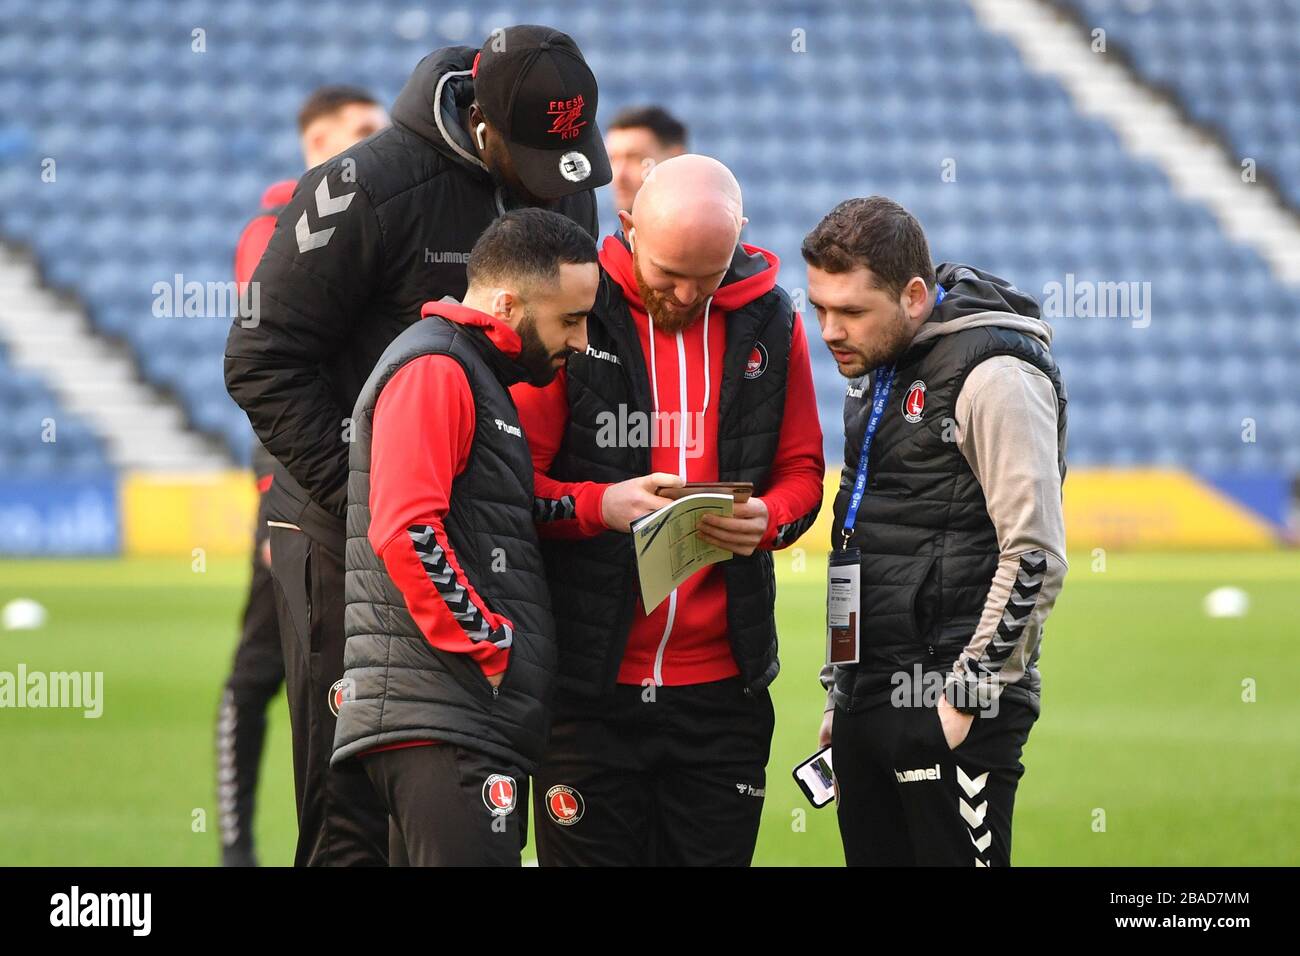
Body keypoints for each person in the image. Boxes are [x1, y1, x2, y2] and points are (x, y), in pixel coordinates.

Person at [223, 25, 611, 866]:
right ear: (483, 124)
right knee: (349, 821)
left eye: (570, 158)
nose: (559, 185)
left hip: (487, 533)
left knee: (458, 809)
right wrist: (370, 493)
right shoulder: (361, 186)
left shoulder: (562, 176)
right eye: (539, 160)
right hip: (340, 539)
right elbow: (261, 361)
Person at [511, 154, 825, 866]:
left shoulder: (774, 322)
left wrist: (769, 518)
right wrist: (599, 506)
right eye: (666, 274)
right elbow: (513, 487)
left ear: (740, 240)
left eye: (706, 277)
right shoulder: (575, 312)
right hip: (589, 690)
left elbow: (803, 471)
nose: (683, 294)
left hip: (722, 693)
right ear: (626, 227)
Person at [804, 196, 1068, 867]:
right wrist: (841, 688)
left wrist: (965, 700)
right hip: (869, 697)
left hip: (952, 701)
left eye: (851, 311)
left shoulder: (997, 376)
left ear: (914, 295)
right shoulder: (874, 369)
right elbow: (854, 535)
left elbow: (1033, 553)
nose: (830, 330)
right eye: (820, 310)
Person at [330, 208, 599, 866]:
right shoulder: (437, 369)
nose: (584, 340)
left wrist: (601, 505)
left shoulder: (473, 371)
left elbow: (495, 505)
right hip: (443, 721)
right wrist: (488, 642)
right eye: (570, 319)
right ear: (509, 304)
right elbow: (406, 528)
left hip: (450, 718)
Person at [217, 85, 388, 867]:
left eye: (378, 130)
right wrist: (266, 507)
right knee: (261, 671)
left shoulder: (380, 212)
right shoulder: (278, 228)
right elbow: (272, 371)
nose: (374, 140)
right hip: (301, 490)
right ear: (314, 141)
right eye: (358, 130)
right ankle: (233, 843)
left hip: (357, 486)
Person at [605, 105, 688, 214]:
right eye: (613, 159)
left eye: (634, 158)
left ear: (675, 160)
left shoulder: (705, 229)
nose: (619, 176)